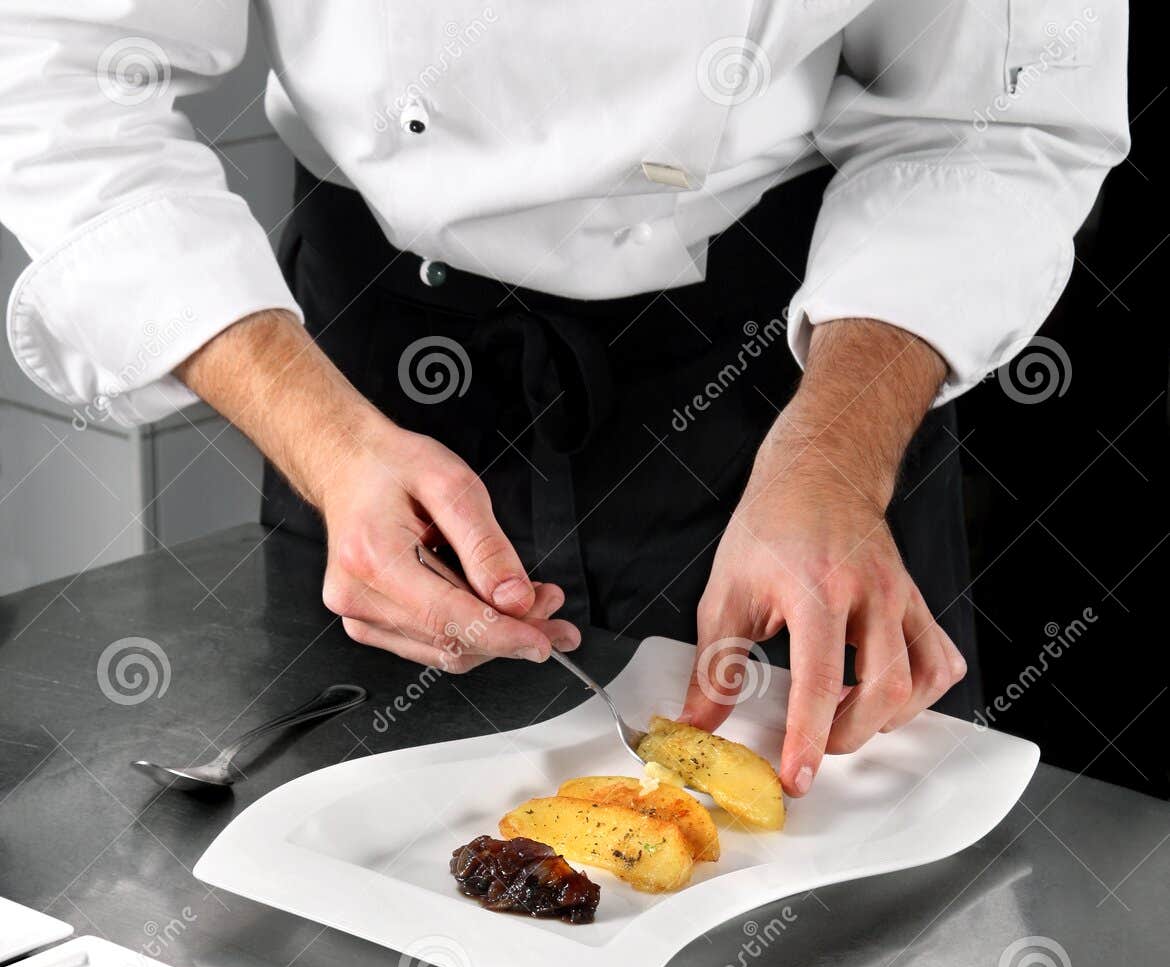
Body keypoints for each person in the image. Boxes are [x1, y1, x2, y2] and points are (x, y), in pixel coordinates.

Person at [0, 5, 1127, 795]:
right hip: (374, 386)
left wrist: (834, 453)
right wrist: (323, 440)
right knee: (360, 912)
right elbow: (60, 70)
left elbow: (995, 118)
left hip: (799, 375)